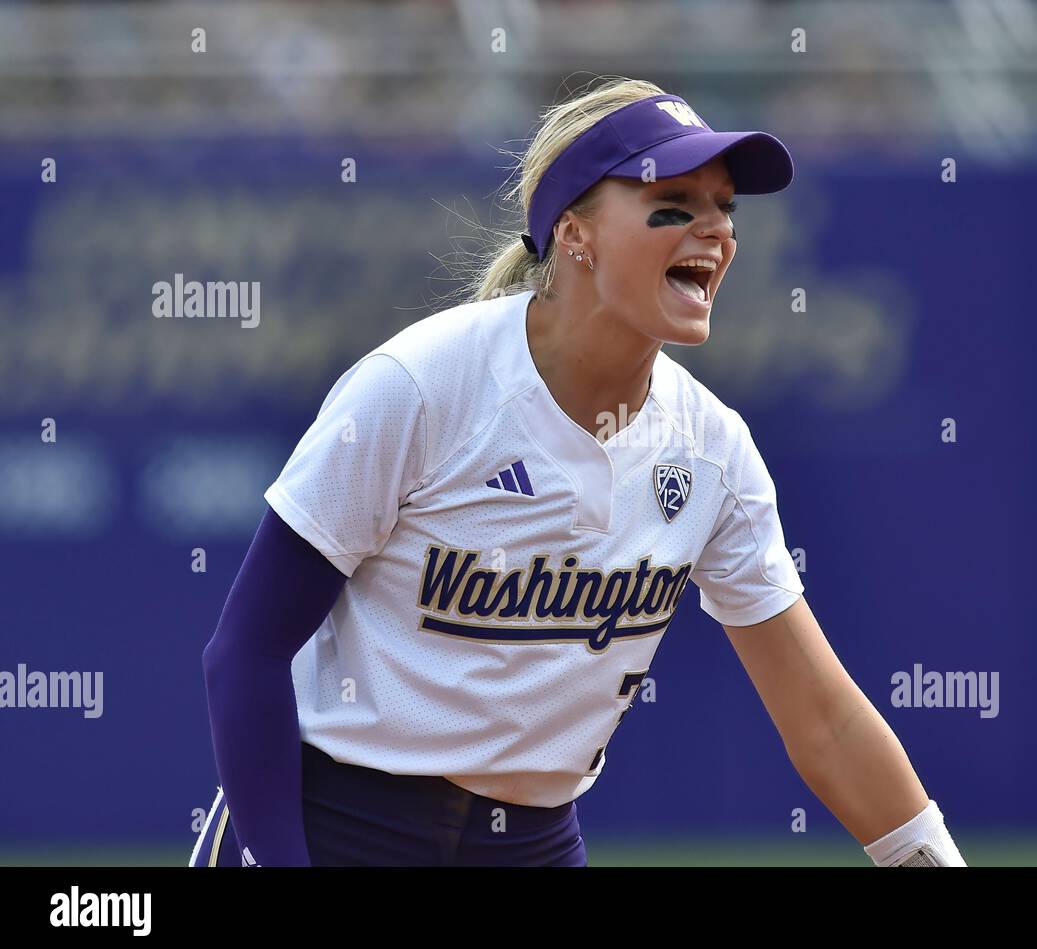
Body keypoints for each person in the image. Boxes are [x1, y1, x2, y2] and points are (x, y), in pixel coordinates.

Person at [190, 76, 966, 868]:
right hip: (334, 823)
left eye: (725, 206)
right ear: (575, 232)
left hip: (530, 841)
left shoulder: (712, 450)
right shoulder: (424, 386)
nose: (715, 229)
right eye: (675, 202)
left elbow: (823, 719)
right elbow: (245, 651)